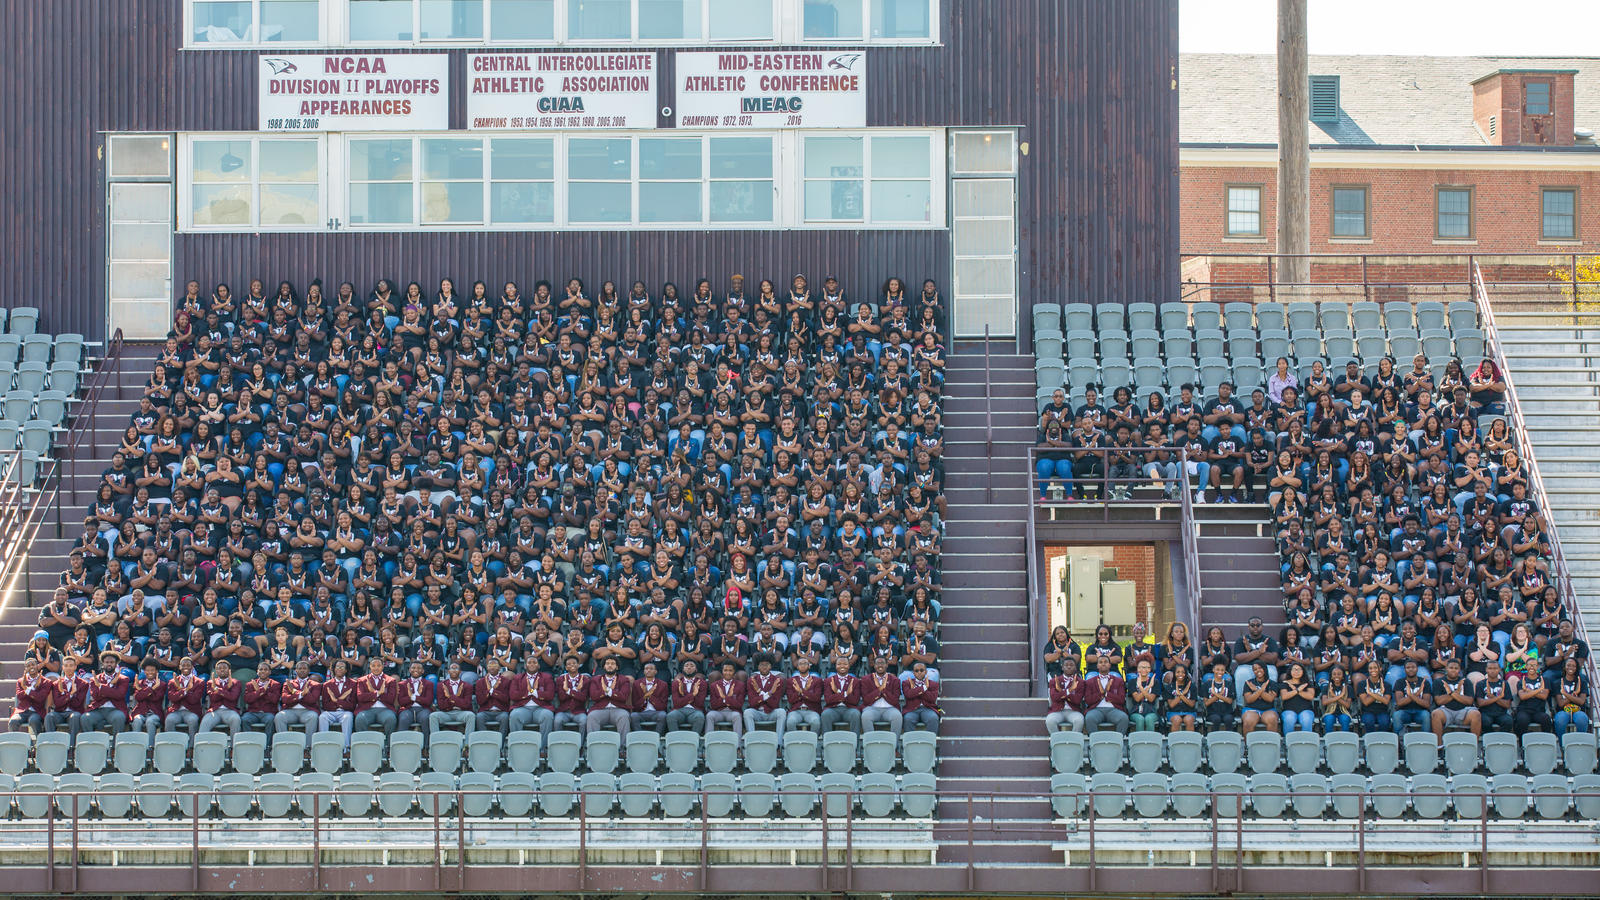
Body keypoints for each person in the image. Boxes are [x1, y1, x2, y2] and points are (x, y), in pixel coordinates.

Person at [83, 651, 130, 735]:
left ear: (116, 664)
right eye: (107, 662)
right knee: (85, 718)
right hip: (98, 710)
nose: (109, 664)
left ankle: (116, 742)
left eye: (112, 662)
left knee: (119, 717)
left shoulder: (123, 679)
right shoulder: (95, 679)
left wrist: (101, 687)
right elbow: (96, 696)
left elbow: (119, 695)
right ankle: (90, 741)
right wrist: (111, 685)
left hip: (115, 709)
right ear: (102, 664)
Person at [1431, 658, 1480, 737]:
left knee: (1476, 714)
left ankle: (1474, 743)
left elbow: (1469, 701)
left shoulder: (1466, 681)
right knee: (1435, 714)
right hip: (1445, 710)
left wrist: (1451, 693)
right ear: (1446, 668)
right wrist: (1457, 694)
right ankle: (1439, 744)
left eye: (1456, 668)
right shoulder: (1438, 682)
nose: (1453, 670)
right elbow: (1439, 701)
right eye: (1451, 668)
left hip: (1463, 711)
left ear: (1459, 670)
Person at [742, 655, 787, 740]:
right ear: (758, 667)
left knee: (782, 712)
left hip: (771, 712)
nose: (764, 667)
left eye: (767, 664)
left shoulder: (777, 680)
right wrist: (769, 693)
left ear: (771, 666)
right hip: (757, 712)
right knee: (747, 712)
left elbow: (774, 703)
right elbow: (752, 703)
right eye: (762, 664)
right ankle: (752, 740)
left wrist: (759, 693)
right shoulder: (752, 680)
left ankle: (779, 743)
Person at [1081, 654, 1128, 734]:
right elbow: (1088, 700)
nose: (1103, 664)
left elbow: (1121, 700)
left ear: (1109, 665)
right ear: (1097, 666)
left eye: (1105, 662)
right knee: (1089, 718)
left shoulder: (1118, 681)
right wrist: (1101, 693)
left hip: (1114, 709)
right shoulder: (1090, 682)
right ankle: (1094, 740)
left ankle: (1118, 740)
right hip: (1096, 709)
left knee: (1123, 718)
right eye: (1100, 662)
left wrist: (1107, 694)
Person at [510, 657, 556, 738]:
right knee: (514, 715)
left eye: (534, 662)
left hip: (541, 708)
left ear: (538, 666)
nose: (532, 664)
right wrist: (529, 692)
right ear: (525, 666)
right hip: (523, 708)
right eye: (529, 662)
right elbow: (513, 695)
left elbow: (550, 695)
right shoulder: (517, 678)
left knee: (548, 715)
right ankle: (516, 742)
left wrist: (535, 692)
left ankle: (544, 745)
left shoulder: (547, 677)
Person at [585, 656, 632, 735]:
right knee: (592, 716)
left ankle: (623, 743)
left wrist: (609, 691)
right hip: (600, 709)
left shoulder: (624, 679)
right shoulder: (596, 680)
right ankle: (593, 741)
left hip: (618, 709)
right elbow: (593, 696)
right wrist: (605, 692)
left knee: (624, 716)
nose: (610, 665)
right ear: (604, 666)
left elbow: (624, 697)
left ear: (617, 667)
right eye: (607, 663)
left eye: (613, 664)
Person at [275, 660, 322, 736]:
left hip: (308, 711)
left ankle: (309, 743)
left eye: (304, 668)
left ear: (309, 671)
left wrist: (293, 692)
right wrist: (301, 694)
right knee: (279, 717)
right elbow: (285, 699)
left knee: (313, 717)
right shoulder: (288, 684)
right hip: (290, 711)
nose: (302, 670)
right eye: (300, 668)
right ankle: (283, 741)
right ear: (296, 670)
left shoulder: (315, 684)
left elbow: (312, 700)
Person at [354, 656, 399, 735]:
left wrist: (372, 693)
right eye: (373, 666)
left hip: (385, 710)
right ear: (370, 667)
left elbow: (391, 698)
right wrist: (378, 693)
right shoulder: (362, 680)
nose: (376, 668)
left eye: (378, 666)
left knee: (391, 718)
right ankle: (362, 741)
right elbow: (361, 697)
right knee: (360, 718)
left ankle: (388, 742)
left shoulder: (390, 680)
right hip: (367, 709)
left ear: (383, 666)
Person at [859, 656, 903, 735]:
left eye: (882, 663)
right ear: (874, 665)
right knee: (865, 716)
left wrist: (883, 690)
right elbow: (866, 700)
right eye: (877, 663)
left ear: (887, 665)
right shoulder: (866, 679)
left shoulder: (895, 680)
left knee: (897, 716)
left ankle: (894, 742)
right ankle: (870, 741)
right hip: (872, 708)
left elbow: (895, 700)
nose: (880, 665)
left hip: (890, 709)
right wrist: (879, 690)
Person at [318, 658, 357, 747]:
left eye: (342, 667)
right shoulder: (327, 684)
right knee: (322, 717)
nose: (339, 668)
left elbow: (352, 705)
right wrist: (341, 700)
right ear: (334, 669)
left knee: (348, 717)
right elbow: (325, 704)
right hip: (331, 711)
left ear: (346, 670)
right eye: (337, 666)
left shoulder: (353, 684)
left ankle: (346, 747)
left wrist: (336, 700)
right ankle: (323, 745)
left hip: (345, 712)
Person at [198, 659, 243, 736]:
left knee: (236, 719)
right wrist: (227, 688)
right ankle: (201, 743)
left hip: (230, 710)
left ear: (229, 670)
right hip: (214, 711)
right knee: (205, 722)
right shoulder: (211, 682)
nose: (222, 670)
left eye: (224, 668)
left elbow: (233, 697)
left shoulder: (236, 682)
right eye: (219, 668)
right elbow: (213, 698)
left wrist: (217, 690)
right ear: (216, 671)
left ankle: (234, 743)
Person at [163, 657, 206, 736]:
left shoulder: (199, 682)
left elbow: (194, 700)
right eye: (183, 665)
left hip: (191, 711)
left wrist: (180, 691)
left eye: (188, 665)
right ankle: (173, 742)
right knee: (169, 720)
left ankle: (192, 743)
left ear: (192, 667)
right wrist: (185, 691)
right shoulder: (172, 682)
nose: (185, 667)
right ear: (180, 667)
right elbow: (172, 698)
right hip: (176, 710)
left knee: (193, 720)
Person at [432, 661, 477, 734]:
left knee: (471, 715)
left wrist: (450, 697)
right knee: (433, 716)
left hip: (461, 712)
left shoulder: (467, 686)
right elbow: (441, 705)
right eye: (452, 668)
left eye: (456, 668)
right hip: (446, 713)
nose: (454, 670)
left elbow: (466, 704)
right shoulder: (441, 685)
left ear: (460, 672)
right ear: (448, 671)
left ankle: (468, 740)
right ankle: (435, 739)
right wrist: (456, 701)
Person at [821, 656, 862, 733]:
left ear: (849, 665)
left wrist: (837, 692)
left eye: (845, 664)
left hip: (849, 709)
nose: (842, 666)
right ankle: (826, 740)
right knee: (825, 714)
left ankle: (855, 740)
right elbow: (828, 700)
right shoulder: (828, 681)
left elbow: (855, 700)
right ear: (835, 666)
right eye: (839, 664)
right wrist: (846, 694)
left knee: (856, 714)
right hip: (833, 709)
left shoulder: (855, 681)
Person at [9, 658, 50, 735]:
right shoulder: (20, 681)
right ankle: (15, 741)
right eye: (28, 666)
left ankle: (39, 740)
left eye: (33, 664)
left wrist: (26, 689)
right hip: (22, 710)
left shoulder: (46, 682)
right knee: (13, 721)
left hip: (37, 711)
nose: (31, 667)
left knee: (34, 720)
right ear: (25, 669)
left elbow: (40, 698)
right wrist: (31, 689)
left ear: (37, 666)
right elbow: (20, 696)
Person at [784, 655, 824, 733]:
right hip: (796, 710)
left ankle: (813, 740)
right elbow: (791, 699)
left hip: (812, 710)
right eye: (800, 664)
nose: (802, 665)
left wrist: (801, 691)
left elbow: (816, 698)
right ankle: (793, 740)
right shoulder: (791, 681)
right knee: (790, 722)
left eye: (805, 663)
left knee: (815, 722)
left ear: (809, 666)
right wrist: (805, 691)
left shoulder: (817, 681)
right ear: (797, 667)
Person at [667, 658, 707, 734]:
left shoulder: (702, 683)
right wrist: (693, 694)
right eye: (686, 666)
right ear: (683, 669)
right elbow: (676, 703)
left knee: (700, 717)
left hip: (695, 710)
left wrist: (683, 694)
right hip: (679, 710)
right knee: (671, 716)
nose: (689, 667)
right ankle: (675, 739)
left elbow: (700, 703)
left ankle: (694, 739)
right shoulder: (676, 683)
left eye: (692, 666)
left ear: (696, 669)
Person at [553, 655, 591, 735]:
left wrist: (568, 691)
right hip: (564, 711)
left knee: (584, 721)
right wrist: (576, 691)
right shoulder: (560, 680)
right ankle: (558, 740)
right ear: (566, 668)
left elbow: (583, 698)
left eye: (574, 663)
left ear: (578, 665)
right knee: (557, 721)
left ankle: (581, 742)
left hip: (579, 711)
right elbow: (561, 697)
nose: (572, 665)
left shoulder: (585, 680)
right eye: (569, 664)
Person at [1392, 659, 1432, 732]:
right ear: (1404, 669)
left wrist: (1411, 695)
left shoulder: (1424, 683)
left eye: (1413, 667)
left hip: (1420, 711)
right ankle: (1398, 738)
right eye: (1408, 667)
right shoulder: (1400, 682)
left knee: (1426, 715)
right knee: (1397, 715)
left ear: (1417, 669)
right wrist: (1416, 694)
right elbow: (1399, 703)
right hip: (1404, 711)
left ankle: (1425, 738)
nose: (1410, 669)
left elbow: (1427, 704)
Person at [706, 661, 745, 737]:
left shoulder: (740, 685)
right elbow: (713, 705)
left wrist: (724, 698)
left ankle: (738, 742)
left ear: (734, 672)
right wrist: (727, 699)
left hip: (733, 712)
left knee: (737, 716)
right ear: (722, 672)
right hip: (718, 712)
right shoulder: (714, 685)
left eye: (730, 670)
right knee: (709, 715)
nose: (728, 673)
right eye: (725, 670)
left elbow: (739, 705)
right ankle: (708, 740)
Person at [629, 661, 670, 734]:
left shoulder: (663, 684)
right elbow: (635, 705)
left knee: (663, 715)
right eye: (646, 668)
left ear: (656, 671)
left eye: (651, 668)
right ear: (644, 671)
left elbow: (663, 706)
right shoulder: (636, 683)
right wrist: (645, 696)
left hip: (656, 712)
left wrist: (649, 695)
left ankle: (658, 736)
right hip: (641, 712)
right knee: (633, 716)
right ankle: (639, 736)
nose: (648, 670)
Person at [901, 660, 940, 734]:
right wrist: (924, 688)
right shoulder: (906, 683)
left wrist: (915, 690)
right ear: (913, 672)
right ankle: (909, 741)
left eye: (921, 670)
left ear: (926, 672)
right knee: (908, 719)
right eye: (916, 671)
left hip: (927, 708)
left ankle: (931, 741)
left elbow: (932, 698)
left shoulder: (933, 684)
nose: (919, 672)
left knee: (933, 718)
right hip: (911, 709)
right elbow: (908, 695)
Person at [397, 661, 436, 734]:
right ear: (409, 670)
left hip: (423, 709)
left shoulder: (428, 684)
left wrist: (413, 697)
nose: (416, 670)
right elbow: (401, 701)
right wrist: (416, 696)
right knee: (403, 718)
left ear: (423, 671)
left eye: (419, 668)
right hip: (407, 709)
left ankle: (426, 741)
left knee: (425, 718)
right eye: (413, 668)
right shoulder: (403, 684)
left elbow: (428, 701)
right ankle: (401, 740)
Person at [474, 657, 512, 733]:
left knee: (505, 717)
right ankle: (483, 739)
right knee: (479, 717)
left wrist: (492, 691)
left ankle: (501, 740)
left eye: (495, 665)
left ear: (499, 668)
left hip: (501, 711)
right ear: (487, 667)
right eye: (490, 665)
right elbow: (479, 701)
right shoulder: (480, 682)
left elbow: (506, 699)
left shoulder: (506, 681)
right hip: (485, 711)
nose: (492, 667)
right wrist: (489, 693)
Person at [1475, 660, 1514, 733]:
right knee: (1485, 721)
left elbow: (1507, 705)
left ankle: (1500, 738)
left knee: (1508, 721)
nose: (1492, 671)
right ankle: (1490, 739)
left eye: (1495, 668)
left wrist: (1492, 697)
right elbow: (1480, 703)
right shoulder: (1480, 684)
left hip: (1501, 713)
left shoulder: (1504, 684)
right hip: (1485, 713)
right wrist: (1498, 698)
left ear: (1499, 669)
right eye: (1490, 668)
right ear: (1486, 669)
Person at [1044, 664, 1085, 733]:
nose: (1069, 666)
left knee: (1079, 721)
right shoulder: (1054, 681)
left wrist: (1060, 691)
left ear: (1075, 668)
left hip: (1073, 711)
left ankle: (1074, 739)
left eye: (1071, 665)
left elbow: (1077, 700)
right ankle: (1057, 739)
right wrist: (1069, 690)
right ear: (1062, 667)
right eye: (1066, 665)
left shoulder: (1080, 682)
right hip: (1057, 711)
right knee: (1050, 721)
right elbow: (1054, 697)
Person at [1278, 662, 1316, 734]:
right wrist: (1298, 690)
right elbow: (1284, 696)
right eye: (1294, 669)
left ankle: (1307, 740)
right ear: (1290, 671)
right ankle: (1289, 740)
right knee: (1289, 719)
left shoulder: (1307, 683)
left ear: (1303, 671)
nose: (1296, 671)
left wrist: (1295, 690)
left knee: (1306, 719)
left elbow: (1310, 696)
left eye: (1299, 669)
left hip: (1306, 710)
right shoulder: (1285, 683)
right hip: (1289, 710)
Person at [241, 666, 282, 733]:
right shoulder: (250, 684)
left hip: (268, 712)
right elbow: (247, 699)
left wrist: (260, 691)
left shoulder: (275, 684)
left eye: (265, 669)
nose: (263, 671)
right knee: (244, 719)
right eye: (261, 669)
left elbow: (275, 700)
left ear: (270, 672)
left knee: (270, 719)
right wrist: (261, 691)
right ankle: (248, 739)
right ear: (257, 672)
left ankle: (268, 740)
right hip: (253, 712)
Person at [1125, 659, 1161, 732]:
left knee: (1149, 719)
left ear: (1150, 669)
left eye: (1147, 667)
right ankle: (1139, 739)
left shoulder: (1155, 682)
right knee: (1140, 719)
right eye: (1142, 667)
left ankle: (1150, 739)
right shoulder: (1132, 682)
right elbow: (1137, 699)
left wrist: (1143, 687)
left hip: (1151, 710)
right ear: (1138, 669)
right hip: (1136, 711)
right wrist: (1148, 687)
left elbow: (1151, 699)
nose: (1144, 669)